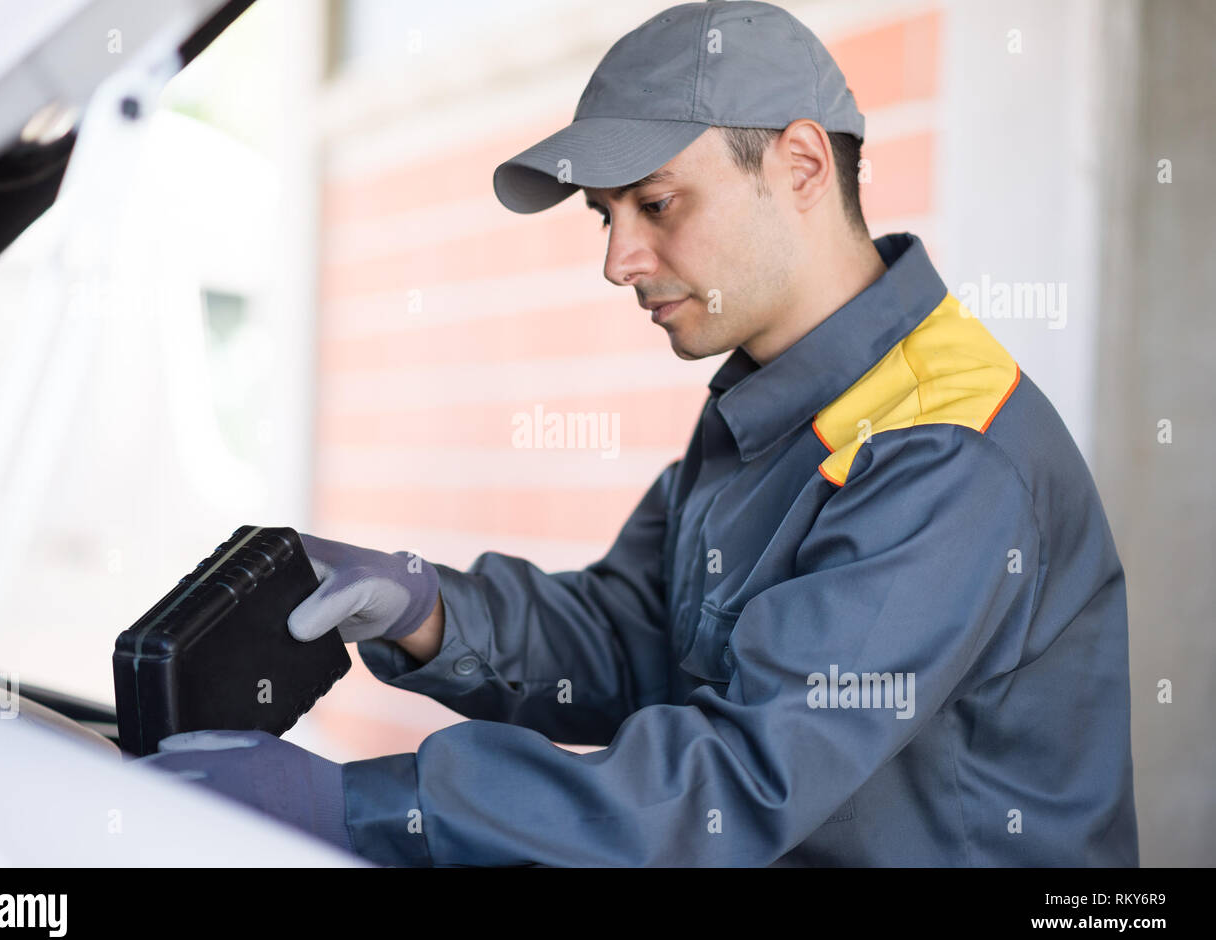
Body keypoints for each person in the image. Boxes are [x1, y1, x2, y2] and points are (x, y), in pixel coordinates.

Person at [143, 0, 1139, 867]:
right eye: (605, 216)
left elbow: (738, 782)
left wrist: (362, 809)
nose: (621, 259)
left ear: (798, 164)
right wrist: (426, 611)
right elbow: (629, 643)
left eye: (657, 204)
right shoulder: (775, 408)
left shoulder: (941, 451)